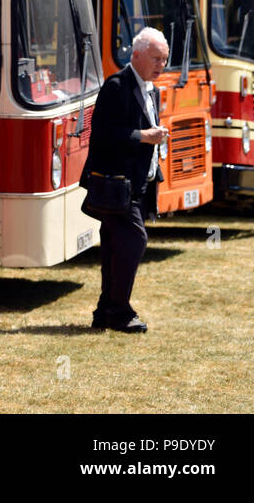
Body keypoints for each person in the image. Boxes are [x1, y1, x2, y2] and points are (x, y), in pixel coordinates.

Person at [82, 26, 169, 333]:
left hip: (137, 184)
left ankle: (105, 311)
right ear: (136, 55)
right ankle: (119, 311)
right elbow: (103, 135)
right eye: (156, 58)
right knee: (134, 240)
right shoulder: (116, 86)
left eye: (164, 59)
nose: (161, 65)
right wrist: (145, 136)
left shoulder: (153, 90)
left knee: (114, 248)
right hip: (115, 184)